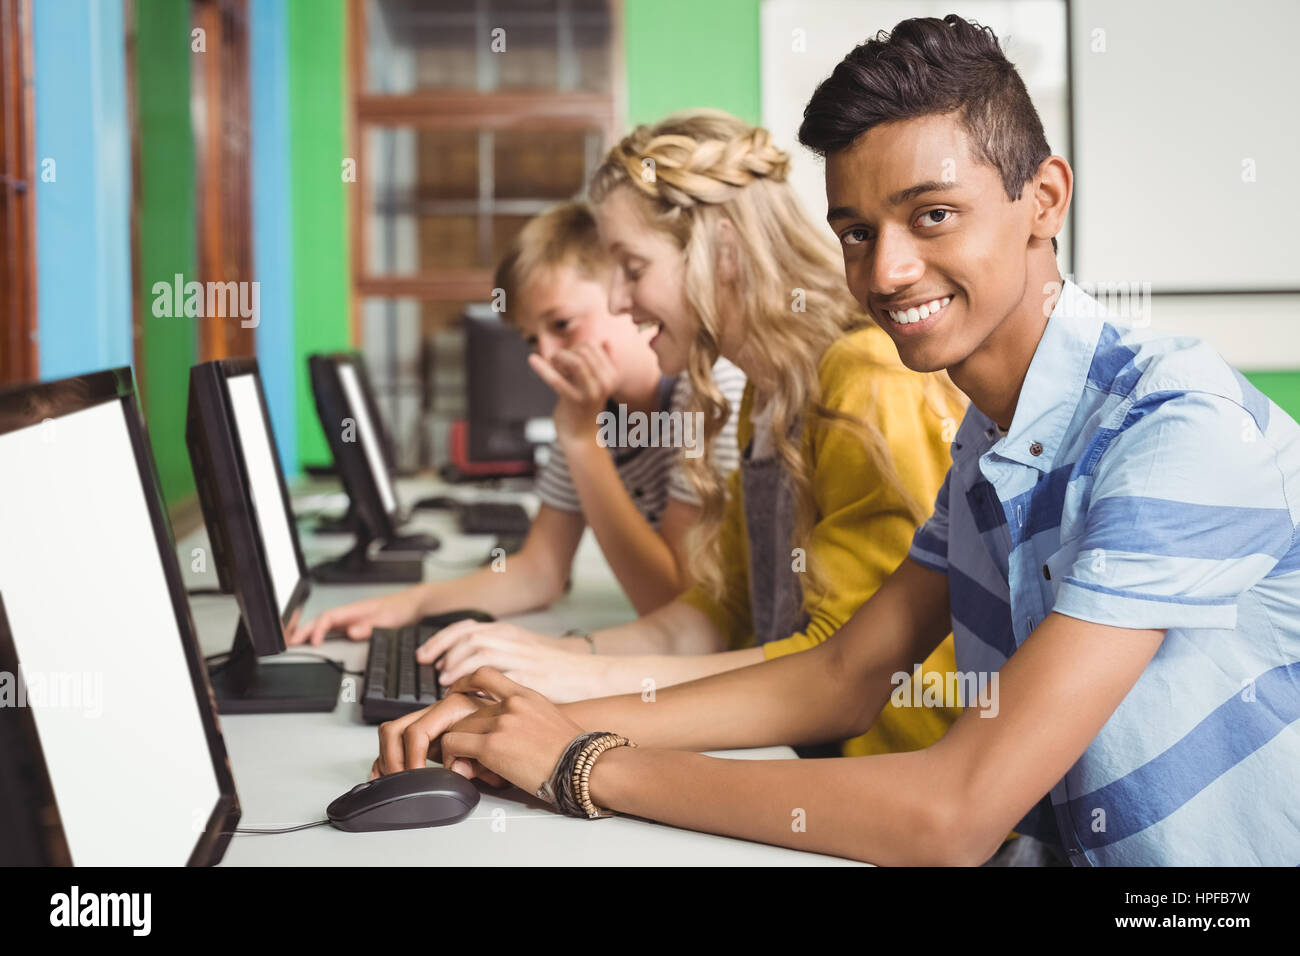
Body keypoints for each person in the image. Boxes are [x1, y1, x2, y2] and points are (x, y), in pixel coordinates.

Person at [368, 15, 1300, 866]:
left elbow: (955, 811)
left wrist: (580, 761)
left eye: (933, 214)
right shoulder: (995, 434)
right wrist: (536, 718)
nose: (887, 270)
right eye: (857, 231)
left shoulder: (1178, 430)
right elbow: (844, 674)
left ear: (1044, 198)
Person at [412, 108, 967, 760]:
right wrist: (551, 659)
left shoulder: (865, 380)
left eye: (632, 267)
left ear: (722, 251)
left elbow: (841, 667)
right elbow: (710, 617)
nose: (618, 302)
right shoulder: (767, 390)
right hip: (804, 762)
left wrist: (583, 689)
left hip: (888, 791)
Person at [291, 201, 745, 642]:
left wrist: (583, 442)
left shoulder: (708, 395)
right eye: (531, 338)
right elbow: (540, 571)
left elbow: (672, 601)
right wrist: (409, 605)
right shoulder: (589, 410)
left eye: (562, 324)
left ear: (624, 296)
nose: (544, 354)